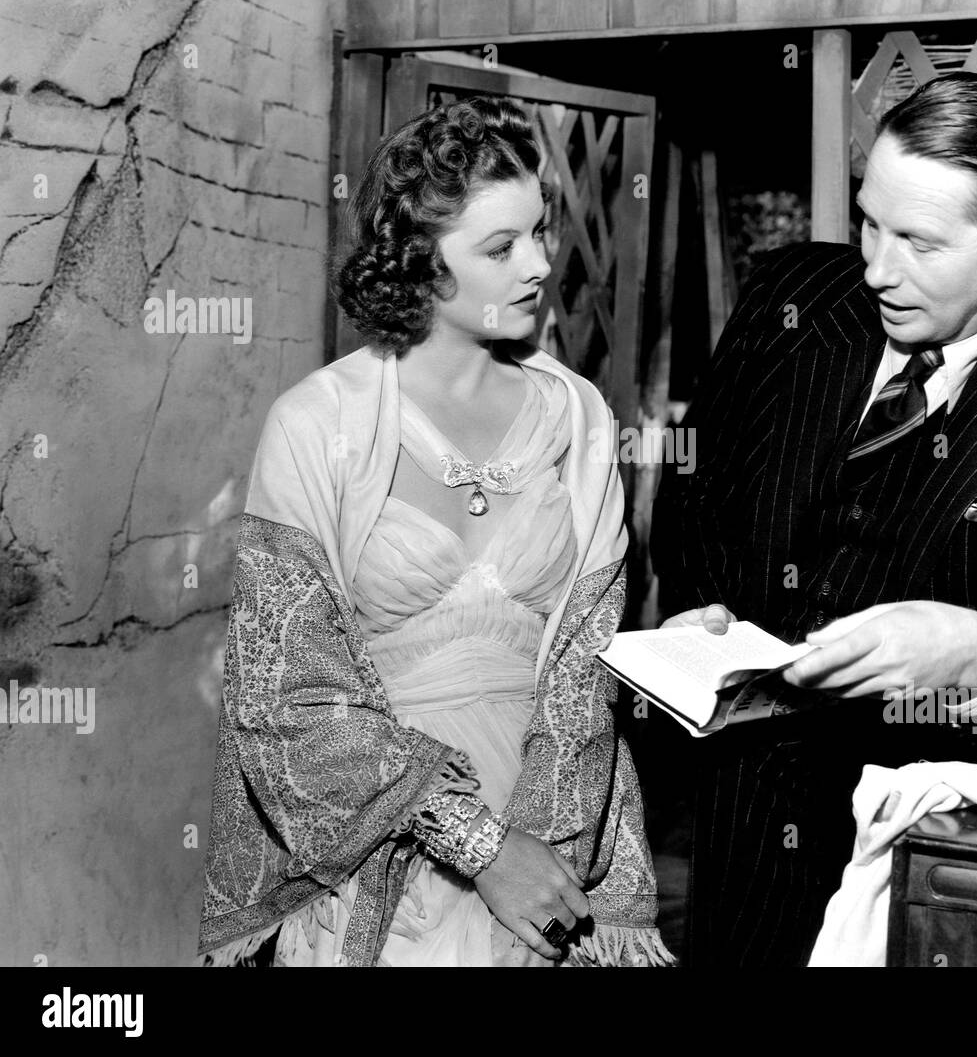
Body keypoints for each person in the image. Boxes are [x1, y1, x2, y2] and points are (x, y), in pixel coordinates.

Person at [651, 71, 977, 967]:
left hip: (927, 855)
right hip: (740, 818)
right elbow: (693, 494)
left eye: (919, 241)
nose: (878, 267)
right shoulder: (790, 299)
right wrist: (702, 613)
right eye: (869, 222)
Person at [198, 95, 672, 967]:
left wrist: (542, 867)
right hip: (378, 844)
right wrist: (481, 847)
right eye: (501, 247)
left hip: (554, 826)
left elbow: (582, 671)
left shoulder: (581, 416)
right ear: (419, 262)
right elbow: (286, 699)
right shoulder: (318, 424)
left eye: (539, 231)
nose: (540, 264)